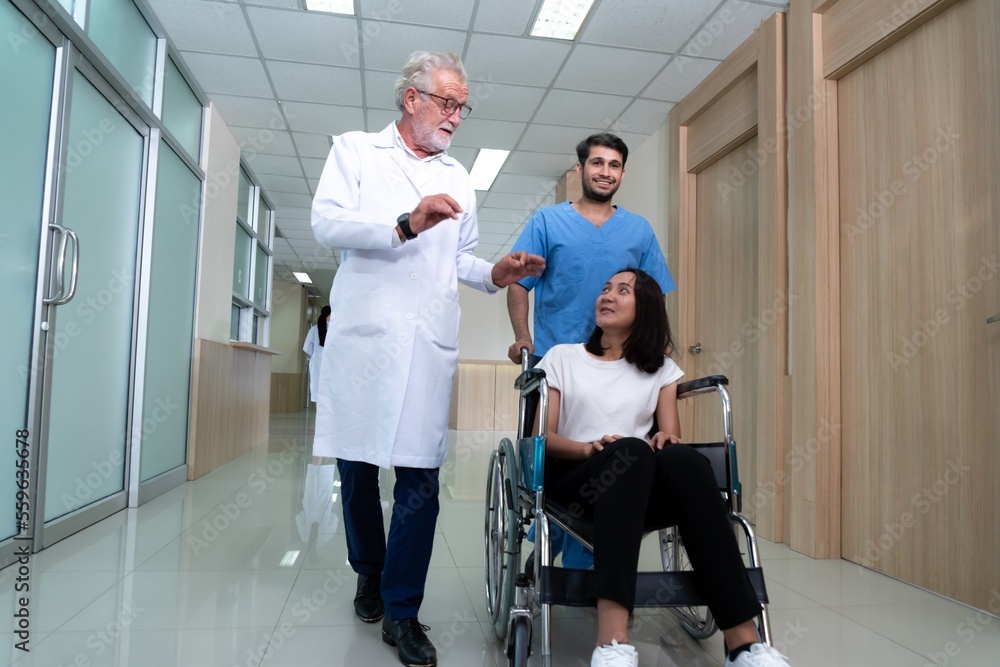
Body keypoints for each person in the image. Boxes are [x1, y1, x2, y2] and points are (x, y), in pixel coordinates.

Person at [310, 50, 544, 667]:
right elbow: (326, 224)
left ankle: (403, 612)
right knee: (358, 470)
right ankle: (369, 570)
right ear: (411, 98)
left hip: (426, 347)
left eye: (462, 106)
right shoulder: (356, 152)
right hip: (366, 340)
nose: (456, 116)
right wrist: (405, 224)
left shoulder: (460, 176)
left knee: (419, 480)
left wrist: (496, 271)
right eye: (447, 102)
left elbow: (460, 259)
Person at [535, 268, 792, 667]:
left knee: (680, 458)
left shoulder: (661, 370)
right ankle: (612, 642)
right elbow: (543, 438)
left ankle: (745, 645)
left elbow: (669, 435)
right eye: (606, 289)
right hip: (578, 480)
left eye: (623, 291)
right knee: (631, 452)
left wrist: (662, 440)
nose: (608, 296)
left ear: (647, 310)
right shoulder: (562, 358)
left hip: (636, 484)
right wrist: (589, 449)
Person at [507, 132, 676, 569]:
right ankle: (556, 545)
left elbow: (655, 295)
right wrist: (524, 338)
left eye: (614, 164)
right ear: (580, 168)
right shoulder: (547, 222)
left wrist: (661, 343)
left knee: (625, 456)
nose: (605, 172)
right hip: (557, 366)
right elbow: (518, 283)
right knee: (549, 462)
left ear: (622, 172)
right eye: (597, 163)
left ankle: (590, 558)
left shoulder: (638, 230)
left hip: (625, 366)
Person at [302, 305, 331, 404]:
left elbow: (306, 348)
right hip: (331, 362)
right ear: (329, 315)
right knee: (330, 390)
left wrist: (315, 354)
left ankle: (318, 416)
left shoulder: (314, 329)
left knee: (317, 389)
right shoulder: (335, 329)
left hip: (317, 361)